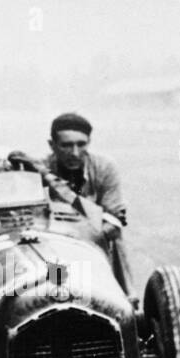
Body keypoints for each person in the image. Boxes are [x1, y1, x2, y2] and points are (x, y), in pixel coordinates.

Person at [43, 112, 131, 289]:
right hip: (55, 245)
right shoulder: (40, 168)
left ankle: (126, 296)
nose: (75, 153)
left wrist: (82, 239)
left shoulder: (104, 167)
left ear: (89, 142)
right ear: (52, 145)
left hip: (96, 242)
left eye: (81, 144)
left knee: (115, 242)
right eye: (66, 145)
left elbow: (114, 219)